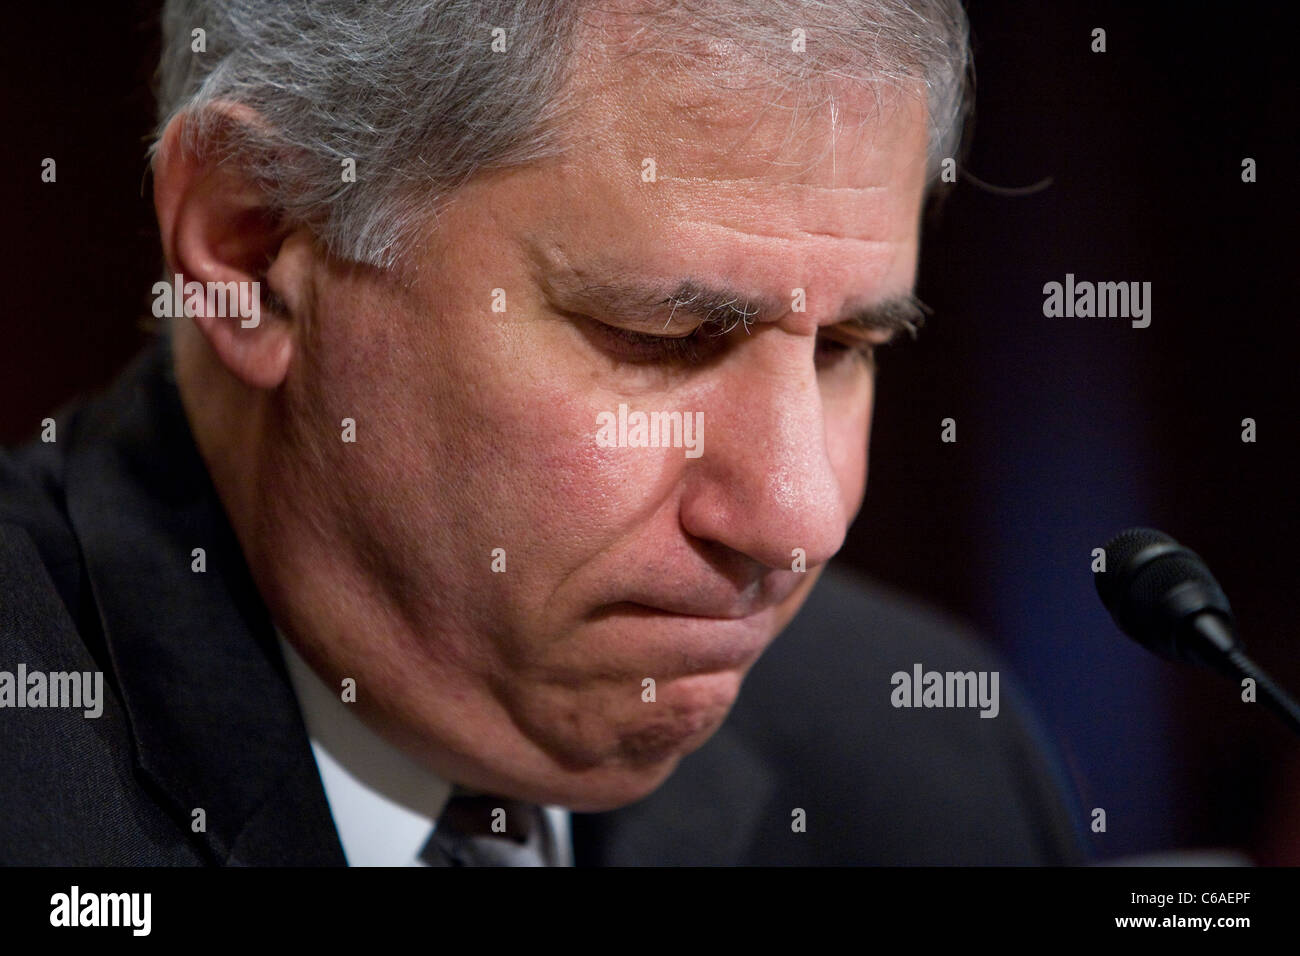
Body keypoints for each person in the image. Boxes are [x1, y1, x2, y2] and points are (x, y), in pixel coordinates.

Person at [0, 0, 1086, 865]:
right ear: (252, 249)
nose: (797, 518)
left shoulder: (932, 759)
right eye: (663, 334)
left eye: (844, 345)